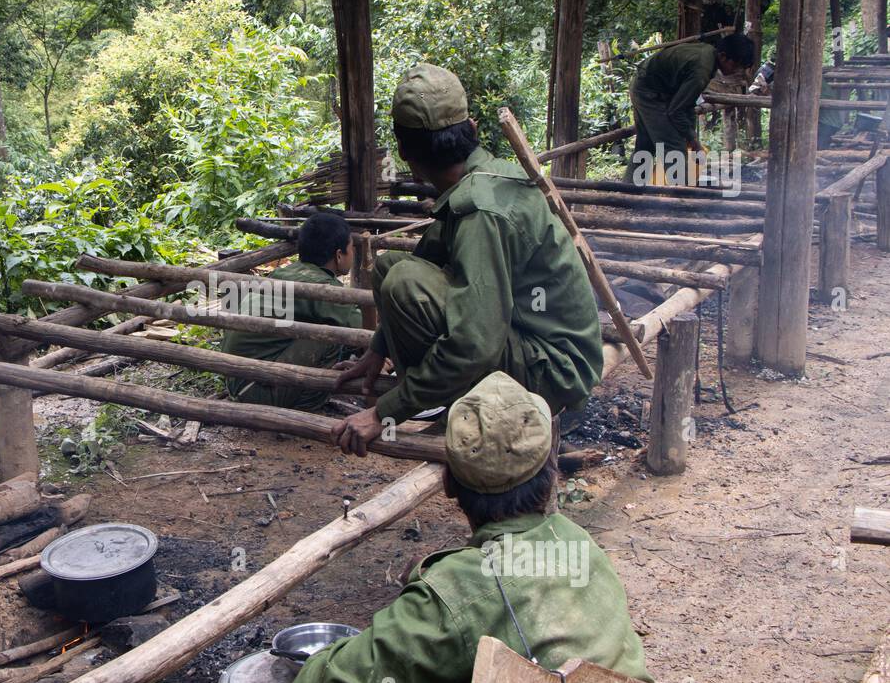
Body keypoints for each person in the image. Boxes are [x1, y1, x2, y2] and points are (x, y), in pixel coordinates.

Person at [287, 372, 652, 683]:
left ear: (447, 483)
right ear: (551, 472)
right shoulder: (577, 541)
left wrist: (434, 594)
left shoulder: (456, 592)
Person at [331, 63, 603, 456]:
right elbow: (433, 256)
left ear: (404, 152)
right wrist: (378, 351)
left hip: (555, 372)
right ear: (472, 130)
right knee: (392, 267)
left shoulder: (481, 212)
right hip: (533, 341)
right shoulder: (487, 176)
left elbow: (476, 345)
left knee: (404, 281)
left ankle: (439, 396)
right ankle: (437, 386)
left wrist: (386, 412)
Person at [221, 212, 363, 411]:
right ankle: (306, 403)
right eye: (351, 248)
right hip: (257, 390)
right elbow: (363, 330)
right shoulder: (322, 287)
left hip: (236, 381)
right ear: (339, 255)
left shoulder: (283, 272)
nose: (353, 253)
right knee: (331, 334)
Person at [623, 32, 756, 184]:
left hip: (647, 86)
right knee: (674, 147)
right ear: (724, 56)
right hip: (650, 92)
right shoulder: (701, 69)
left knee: (645, 144)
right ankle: (681, 199)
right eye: (737, 65)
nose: (737, 71)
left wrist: (693, 139)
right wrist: (692, 140)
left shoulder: (708, 54)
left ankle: (628, 190)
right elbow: (676, 110)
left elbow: (688, 104)